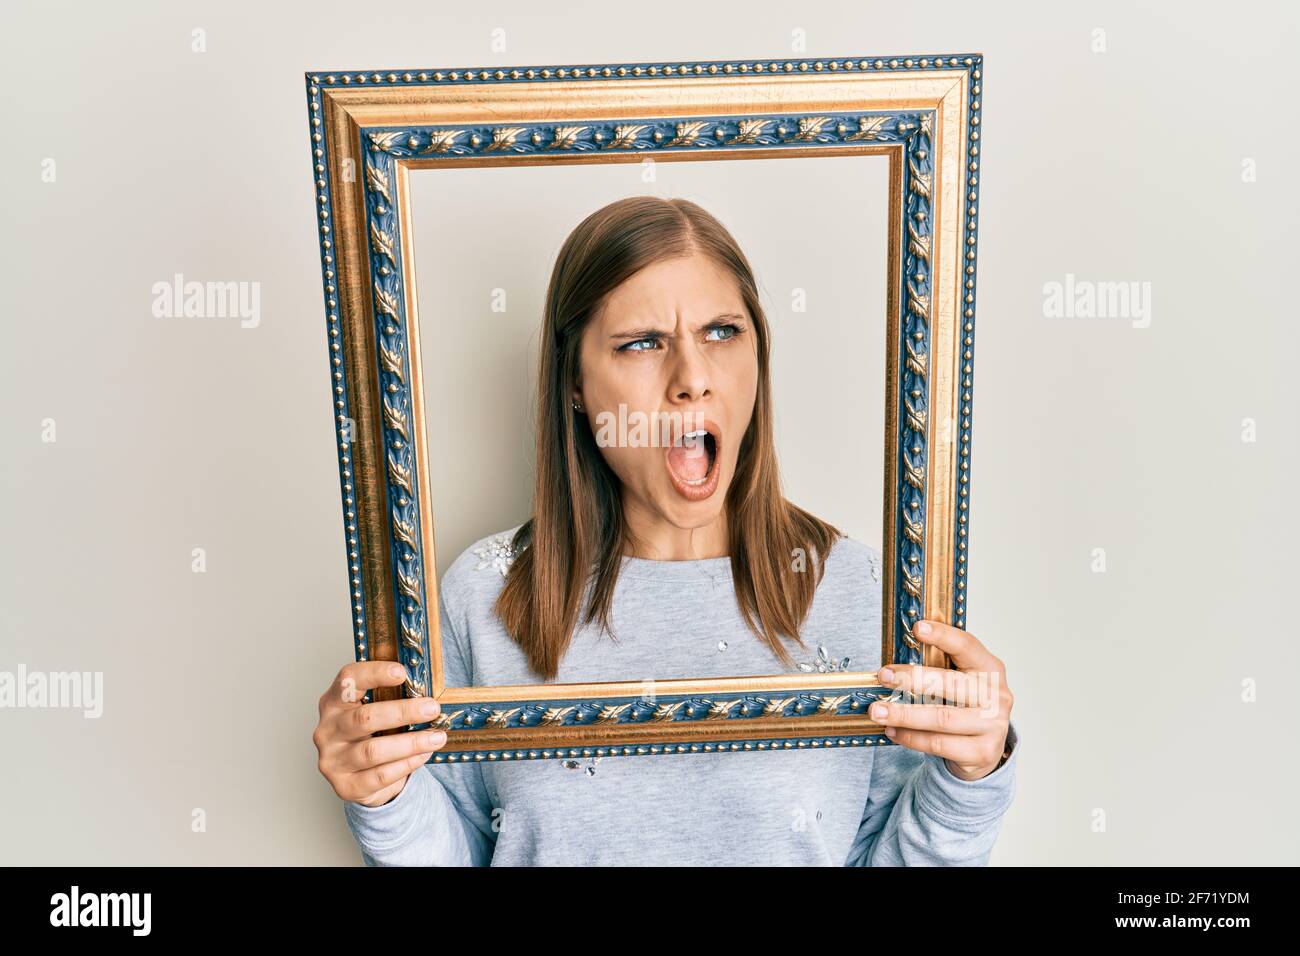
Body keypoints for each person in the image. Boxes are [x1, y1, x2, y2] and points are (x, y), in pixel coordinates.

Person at [312, 196, 1019, 866]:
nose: (692, 378)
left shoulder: (862, 590)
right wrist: (384, 791)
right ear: (576, 386)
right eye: (642, 343)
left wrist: (972, 776)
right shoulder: (483, 595)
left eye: (721, 333)